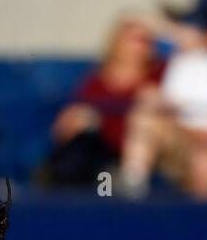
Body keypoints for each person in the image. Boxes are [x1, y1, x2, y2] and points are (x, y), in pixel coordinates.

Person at [121, 0, 207, 200]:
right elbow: (170, 109)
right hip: (186, 140)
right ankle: (130, 194)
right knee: (146, 117)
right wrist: (195, 134)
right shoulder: (185, 62)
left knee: (206, 161)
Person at [45, 17, 165, 187]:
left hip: (147, 155)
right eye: (135, 40)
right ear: (117, 43)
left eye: (147, 40)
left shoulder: (159, 75)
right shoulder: (96, 82)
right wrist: (78, 121)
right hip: (102, 154)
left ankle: (130, 187)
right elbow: (63, 127)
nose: (141, 46)